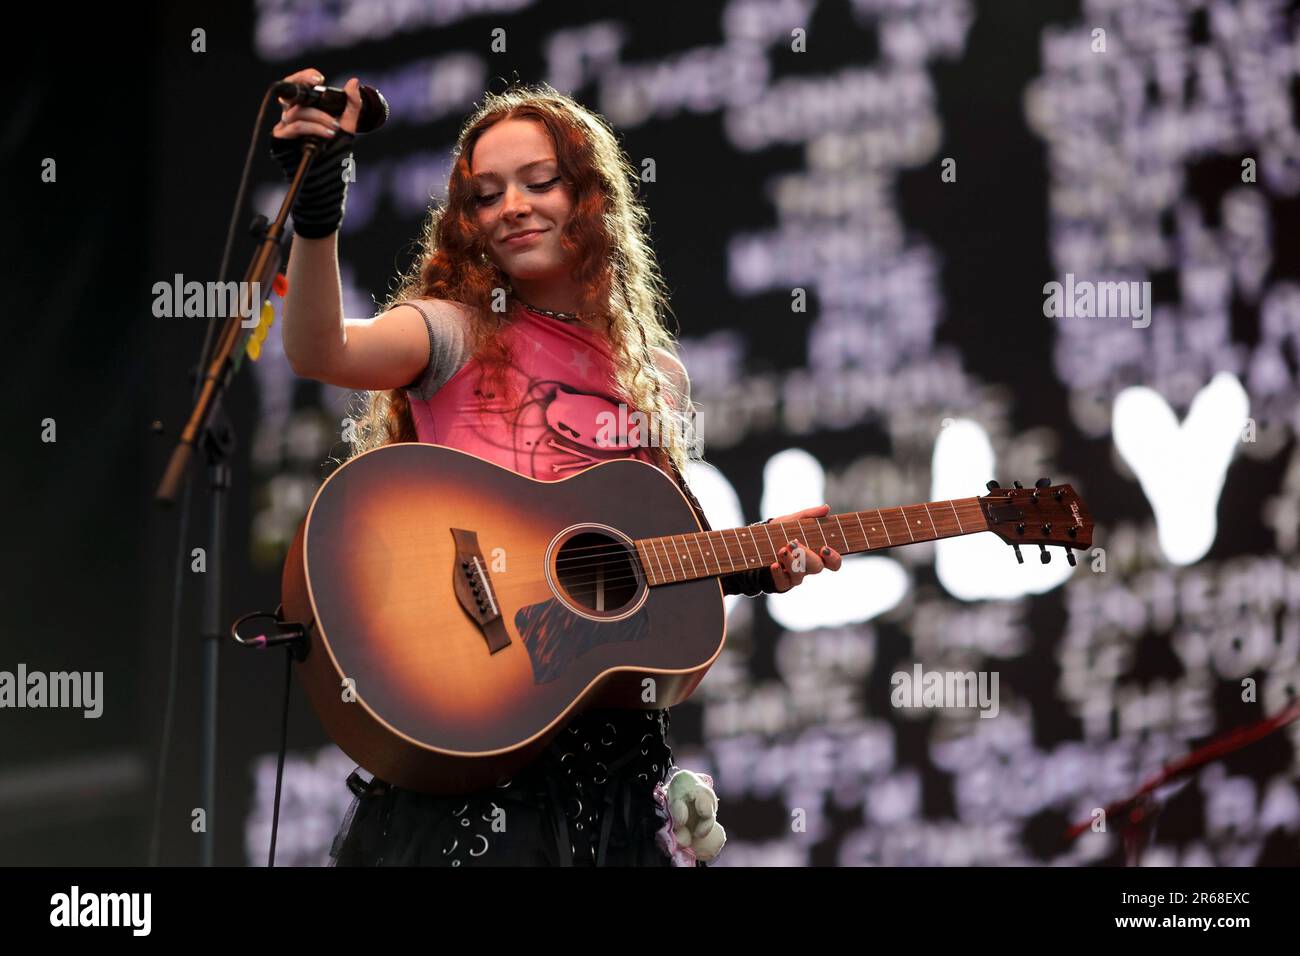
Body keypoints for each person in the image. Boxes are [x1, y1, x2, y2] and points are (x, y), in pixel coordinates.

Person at [271, 70, 843, 866]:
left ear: (590, 199)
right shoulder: (451, 331)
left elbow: (637, 563)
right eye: (486, 194)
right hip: (480, 733)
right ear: (466, 222)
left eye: (540, 182)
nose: (512, 206)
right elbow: (318, 348)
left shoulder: (656, 375)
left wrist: (756, 565)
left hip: (612, 769)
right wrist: (318, 205)